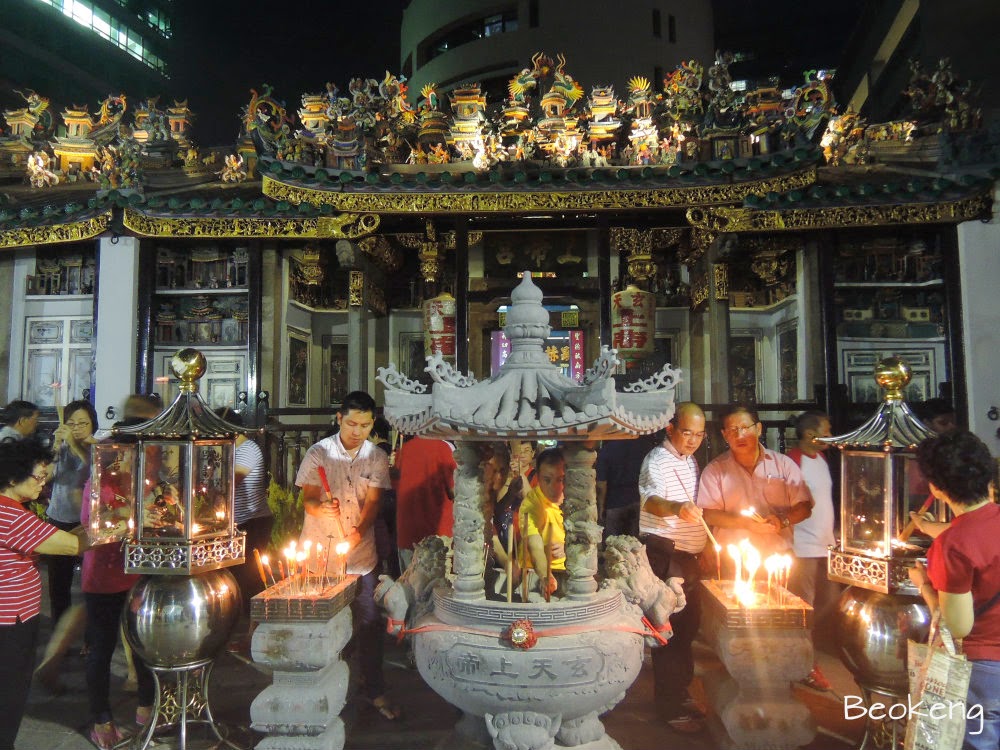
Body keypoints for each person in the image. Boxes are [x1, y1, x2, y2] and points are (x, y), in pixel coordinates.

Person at [296, 392, 398, 720]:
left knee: (368, 623)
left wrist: (358, 531)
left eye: (365, 425)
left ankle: (373, 690)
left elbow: (374, 503)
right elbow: (308, 498)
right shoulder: (319, 453)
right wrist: (320, 507)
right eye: (351, 423)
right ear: (339, 419)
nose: (357, 431)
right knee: (321, 626)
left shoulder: (376, 457)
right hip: (321, 556)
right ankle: (321, 691)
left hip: (361, 556)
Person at [907, 431, 1000, 750]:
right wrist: (928, 528)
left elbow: (959, 626)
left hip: (985, 671)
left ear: (936, 488)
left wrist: (924, 586)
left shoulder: (952, 547)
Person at [0, 440, 92, 750]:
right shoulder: (11, 517)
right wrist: (117, 521)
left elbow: (68, 538)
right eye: (38, 477)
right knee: (9, 693)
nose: (44, 483)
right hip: (9, 623)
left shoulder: (11, 510)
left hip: (14, 616)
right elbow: (73, 546)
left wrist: (89, 523)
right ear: (13, 479)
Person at [637, 402, 708, 734]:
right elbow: (652, 500)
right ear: (671, 429)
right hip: (667, 554)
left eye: (699, 434)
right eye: (687, 433)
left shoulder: (689, 460)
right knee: (669, 630)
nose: (693, 440)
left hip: (689, 555)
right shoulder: (657, 460)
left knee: (688, 630)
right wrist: (678, 509)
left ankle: (682, 692)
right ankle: (669, 705)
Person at [80, 451, 155, 749]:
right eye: (122, 456)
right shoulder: (97, 485)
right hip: (101, 579)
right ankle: (101, 719)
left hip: (135, 575)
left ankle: (146, 708)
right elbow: (92, 526)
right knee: (102, 648)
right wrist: (133, 521)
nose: (128, 462)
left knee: (142, 646)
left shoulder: (144, 483)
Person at [34, 399, 99, 693]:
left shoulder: (98, 449)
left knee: (89, 586)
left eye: (82, 423)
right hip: (58, 519)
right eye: (72, 423)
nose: (76, 428)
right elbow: (43, 476)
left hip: (85, 525)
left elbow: (90, 471)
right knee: (58, 586)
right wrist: (53, 449)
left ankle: (89, 639)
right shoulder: (60, 446)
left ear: (93, 424)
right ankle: (60, 641)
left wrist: (71, 442)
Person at [698, 405, 813, 563]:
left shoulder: (784, 464)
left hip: (777, 558)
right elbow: (710, 515)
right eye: (732, 430)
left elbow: (804, 507)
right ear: (725, 435)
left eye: (745, 427)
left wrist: (782, 521)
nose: (740, 435)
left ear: (759, 429)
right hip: (733, 559)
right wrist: (746, 523)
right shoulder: (715, 470)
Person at [785, 411, 837, 691]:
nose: (831, 436)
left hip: (825, 544)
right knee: (804, 607)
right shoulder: (795, 461)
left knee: (827, 601)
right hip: (802, 545)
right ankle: (805, 664)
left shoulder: (822, 460)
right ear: (809, 435)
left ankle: (801, 653)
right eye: (827, 431)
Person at [215, 408, 272, 633]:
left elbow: (231, 482)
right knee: (238, 576)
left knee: (250, 578)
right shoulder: (229, 448)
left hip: (253, 521)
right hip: (237, 521)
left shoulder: (248, 448)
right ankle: (248, 629)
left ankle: (256, 631)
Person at [394, 436, 455, 572]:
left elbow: (396, 483)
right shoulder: (443, 448)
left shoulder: (404, 449)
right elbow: (454, 491)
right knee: (437, 587)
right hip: (437, 533)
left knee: (409, 587)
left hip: (407, 532)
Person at [518, 447, 566, 598]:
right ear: (538, 477)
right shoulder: (531, 504)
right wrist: (546, 576)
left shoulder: (575, 497)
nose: (554, 487)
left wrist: (568, 547)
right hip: (534, 574)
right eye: (547, 480)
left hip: (567, 570)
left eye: (560, 479)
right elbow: (535, 546)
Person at [596, 433, 656, 539]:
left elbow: (601, 484)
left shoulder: (608, 448)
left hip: (614, 502)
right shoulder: (646, 446)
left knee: (612, 546)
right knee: (634, 546)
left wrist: (601, 508)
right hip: (638, 501)